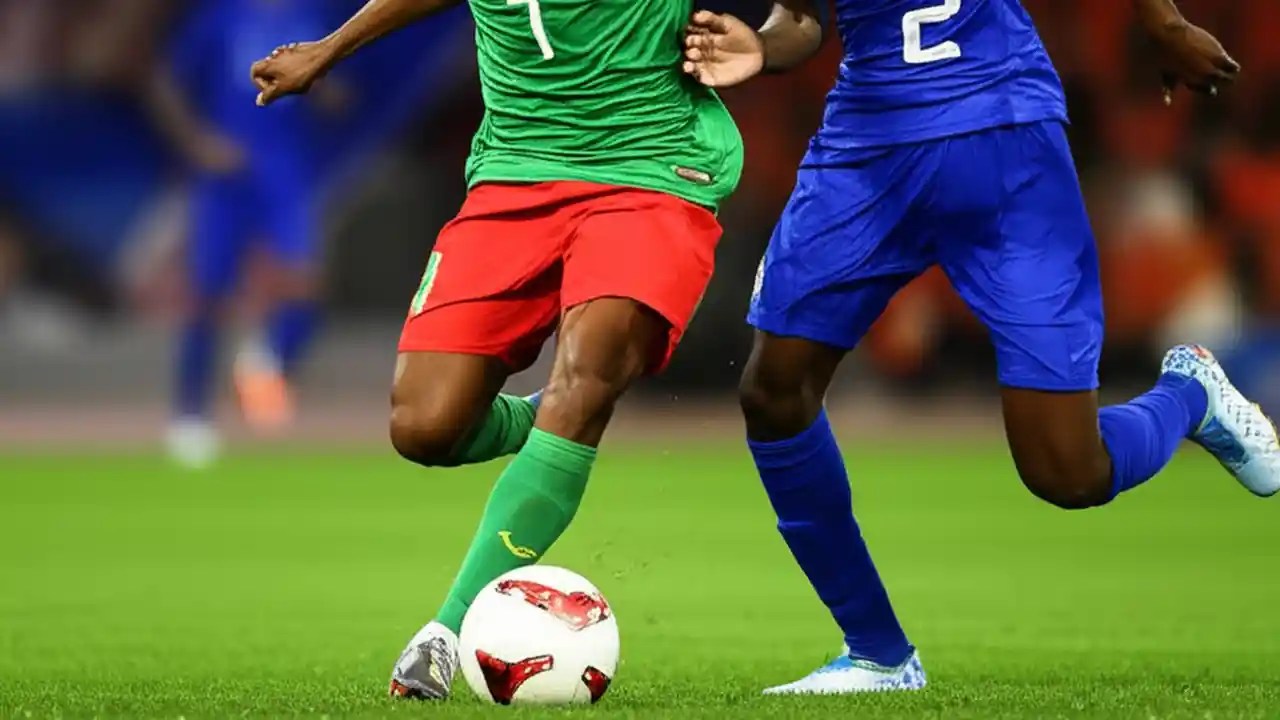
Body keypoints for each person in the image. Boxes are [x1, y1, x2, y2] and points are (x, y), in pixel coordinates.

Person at [681, 0, 1278, 695]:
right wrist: (761, 44)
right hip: (867, 152)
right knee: (774, 389)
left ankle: (1190, 395)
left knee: (1067, 471)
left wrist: (1163, 24)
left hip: (1004, 137)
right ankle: (878, 653)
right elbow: (805, 18)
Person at [249, 0, 743, 700]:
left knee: (585, 380)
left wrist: (766, 42)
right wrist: (329, 48)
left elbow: (796, 19)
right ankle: (553, 420)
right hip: (515, 169)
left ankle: (442, 637)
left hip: (650, 165)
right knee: (425, 428)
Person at [157, 0, 462, 468]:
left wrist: (325, 88)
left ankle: (267, 359)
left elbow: (329, 84)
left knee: (305, 283)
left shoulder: (307, 16)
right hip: (225, 173)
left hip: (284, 172)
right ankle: (190, 413)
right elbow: (170, 82)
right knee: (208, 293)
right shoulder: (221, 16)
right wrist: (198, 143)